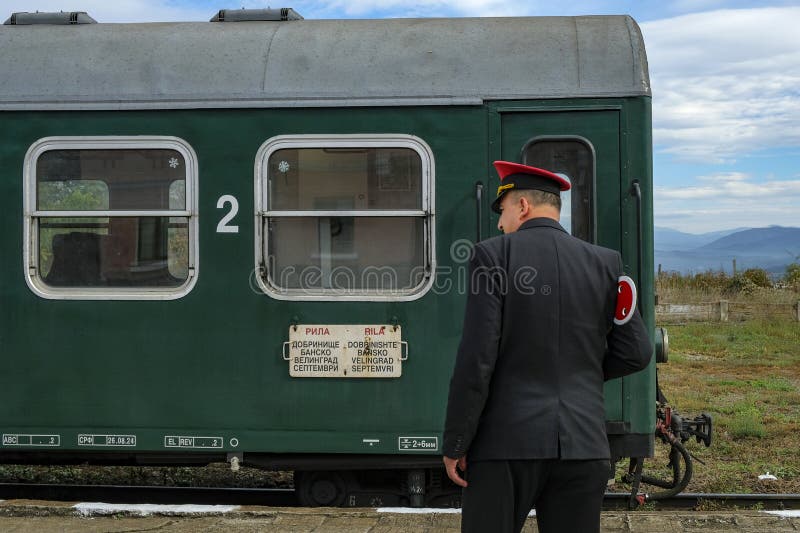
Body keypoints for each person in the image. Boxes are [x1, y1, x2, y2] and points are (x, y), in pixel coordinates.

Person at [442, 161, 652, 533]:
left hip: (504, 445)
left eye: (502, 211)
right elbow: (636, 350)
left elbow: (477, 358)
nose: (499, 224)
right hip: (584, 444)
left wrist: (457, 441)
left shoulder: (492, 256)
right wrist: (580, 369)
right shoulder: (607, 263)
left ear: (522, 206)